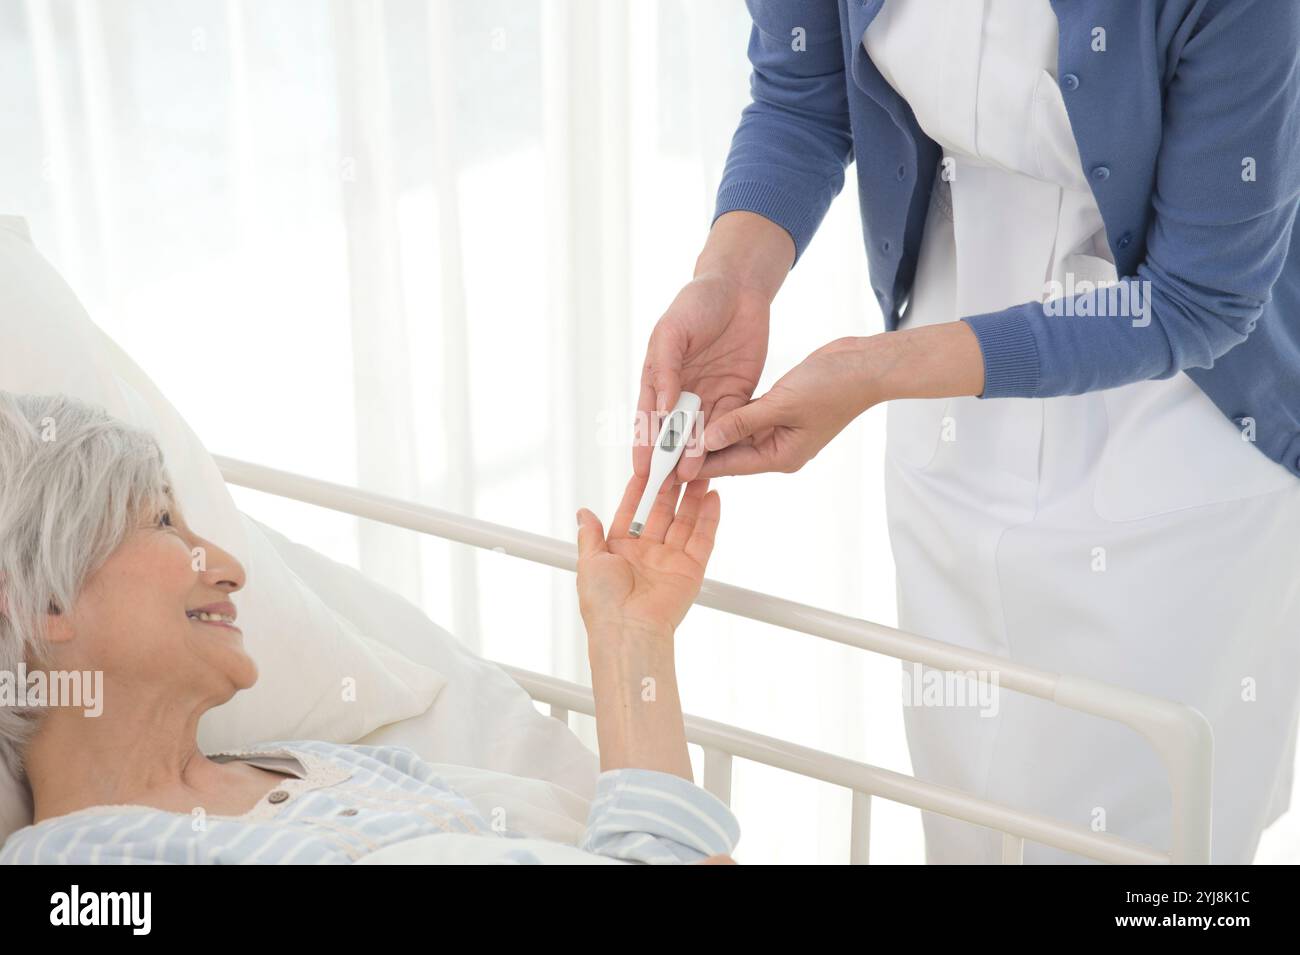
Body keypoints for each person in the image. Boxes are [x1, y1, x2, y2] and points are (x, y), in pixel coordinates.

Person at [636, 0, 1300, 863]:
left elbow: (1197, 298)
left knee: (1149, 850)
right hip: (947, 397)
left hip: (1184, 427)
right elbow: (803, 97)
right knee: (966, 816)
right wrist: (732, 277)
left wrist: (877, 371)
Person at [0, 391, 735, 864]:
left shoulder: (341, 765)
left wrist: (629, 636)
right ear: (46, 606)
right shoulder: (76, 870)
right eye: (163, 522)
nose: (228, 565)